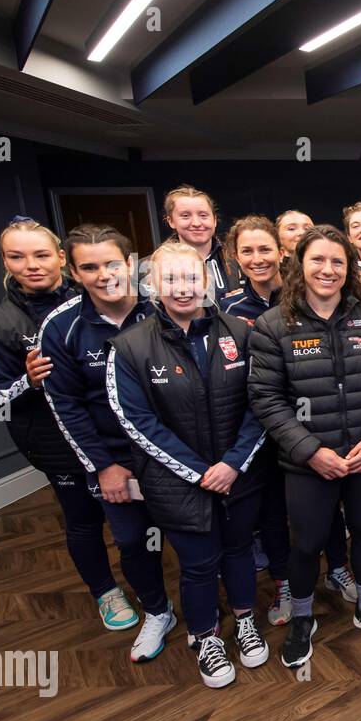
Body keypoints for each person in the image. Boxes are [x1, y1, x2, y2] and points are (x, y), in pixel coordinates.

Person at [106, 242, 268, 687]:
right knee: (198, 565)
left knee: (238, 551)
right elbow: (135, 422)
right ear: (153, 284)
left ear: (208, 281)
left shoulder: (240, 332)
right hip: (177, 485)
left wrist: (233, 464)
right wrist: (200, 473)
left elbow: (263, 404)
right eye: (171, 279)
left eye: (191, 277)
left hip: (240, 475)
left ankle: (245, 621)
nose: (182, 288)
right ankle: (206, 638)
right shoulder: (129, 347)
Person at [247, 224, 361, 668]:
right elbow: (266, 399)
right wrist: (311, 451)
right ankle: (301, 618)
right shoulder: (273, 325)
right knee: (307, 543)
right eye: (317, 259)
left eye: (337, 261)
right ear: (299, 265)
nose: (328, 269)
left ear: (349, 268)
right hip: (307, 462)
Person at [0, 218, 135, 629]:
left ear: (62, 259)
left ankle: (152, 589)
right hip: (54, 442)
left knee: (133, 520)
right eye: (17, 256)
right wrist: (26, 382)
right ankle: (106, 592)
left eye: (41, 254)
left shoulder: (98, 300)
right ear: (5, 262)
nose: (31, 264)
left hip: (117, 435)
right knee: (84, 519)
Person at [40, 223, 175, 661]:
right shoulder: (61, 328)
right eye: (90, 267)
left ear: (131, 263)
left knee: (198, 534)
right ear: (74, 273)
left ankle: (207, 613)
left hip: (175, 453)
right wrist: (103, 465)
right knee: (134, 540)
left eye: (112, 263)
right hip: (114, 460)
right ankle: (158, 610)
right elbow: (66, 406)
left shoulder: (163, 309)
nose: (104, 275)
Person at [220, 216, 355, 624]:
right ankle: (286, 586)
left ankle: (338, 569)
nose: (258, 258)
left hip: (310, 431)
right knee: (276, 513)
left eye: (265, 249)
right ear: (234, 257)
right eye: (247, 251)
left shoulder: (303, 294)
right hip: (257, 431)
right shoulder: (227, 308)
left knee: (328, 509)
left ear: (282, 252)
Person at [162, 184, 241, 295]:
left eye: (203, 215)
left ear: (214, 220)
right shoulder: (151, 267)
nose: (196, 223)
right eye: (185, 215)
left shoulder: (240, 259)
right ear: (171, 221)